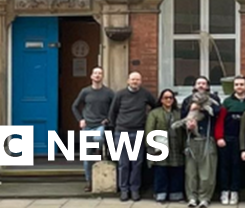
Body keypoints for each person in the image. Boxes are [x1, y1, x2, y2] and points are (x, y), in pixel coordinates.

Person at [108, 71, 158, 202]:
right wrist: (115, 127)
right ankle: (124, 190)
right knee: (123, 163)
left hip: (138, 132)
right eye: (133, 79)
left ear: (141, 81)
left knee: (137, 163)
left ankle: (134, 189)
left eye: (137, 80)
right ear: (128, 81)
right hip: (122, 132)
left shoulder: (145, 94)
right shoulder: (120, 94)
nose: (135, 82)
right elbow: (112, 112)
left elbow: (155, 106)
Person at [72, 66, 114, 192]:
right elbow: (74, 106)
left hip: (100, 125)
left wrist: (108, 118)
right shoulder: (85, 92)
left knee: (98, 137)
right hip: (88, 125)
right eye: (95, 73)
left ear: (102, 76)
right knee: (86, 158)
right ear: (91, 76)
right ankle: (89, 182)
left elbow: (115, 107)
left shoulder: (109, 93)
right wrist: (80, 119)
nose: (97, 75)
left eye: (100, 73)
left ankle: (99, 152)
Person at [183, 76, 222, 208]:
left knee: (207, 172)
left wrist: (202, 107)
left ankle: (205, 198)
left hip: (207, 138)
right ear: (194, 86)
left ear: (207, 86)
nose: (201, 85)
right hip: (192, 139)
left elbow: (217, 112)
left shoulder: (214, 99)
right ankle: (192, 198)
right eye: (198, 83)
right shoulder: (188, 100)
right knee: (191, 172)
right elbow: (183, 115)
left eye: (203, 83)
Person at [147, 89, 187, 203]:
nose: (168, 100)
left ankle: (176, 193)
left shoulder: (178, 113)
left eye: (170, 98)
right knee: (161, 170)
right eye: (166, 98)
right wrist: (151, 146)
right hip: (160, 145)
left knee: (177, 170)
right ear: (161, 99)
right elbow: (149, 130)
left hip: (176, 144)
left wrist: (184, 145)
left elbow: (184, 131)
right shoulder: (155, 113)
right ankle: (160, 193)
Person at [217, 76, 245, 205]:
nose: (239, 87)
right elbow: (220, 121)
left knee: (238, 166)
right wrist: (220, 137)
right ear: (233, 87)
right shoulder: (227, 102)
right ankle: (225, 191)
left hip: (242, 140)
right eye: (237, 84)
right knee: (225, 166)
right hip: (227, 139)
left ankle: (235, 191)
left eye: (242, 84)